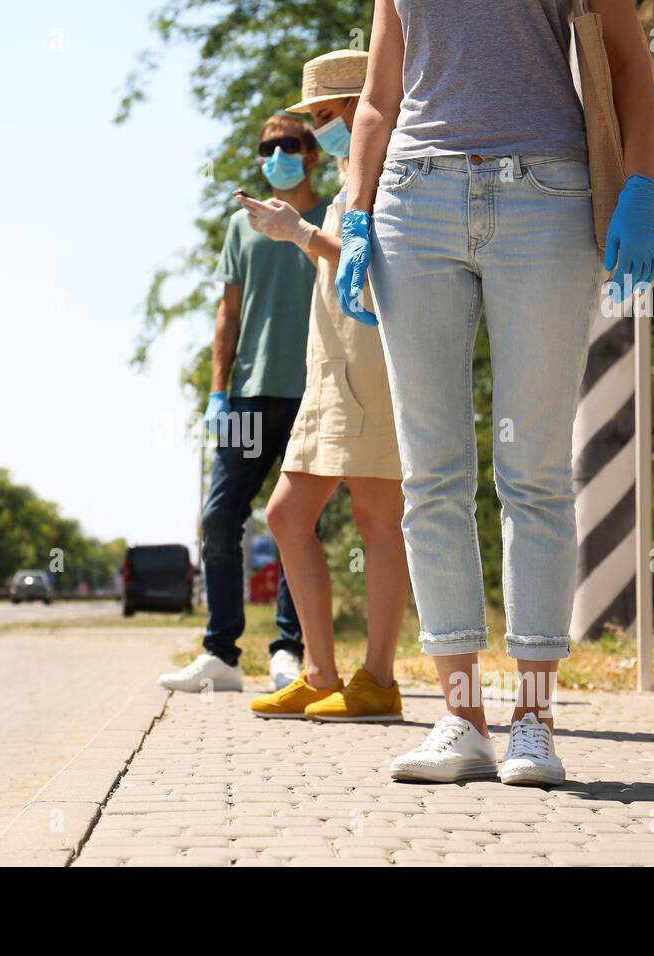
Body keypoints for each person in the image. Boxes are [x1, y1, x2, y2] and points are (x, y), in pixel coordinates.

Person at [337, 0, 654, 784]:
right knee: (432, 474)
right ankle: (461, 717)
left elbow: (628, 66)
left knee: (536, 475)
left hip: (546, 200)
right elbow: (379, 96)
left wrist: (641, 186)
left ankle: (536, 723)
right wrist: (355, 212)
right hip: (412, 205)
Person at [235, 50, 410, 723]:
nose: (319, 128)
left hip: (371, 366)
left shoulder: (395, 169)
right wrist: (299, 231)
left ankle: (377, 680)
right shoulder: (347, 175)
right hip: (332, 370)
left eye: (326, 115)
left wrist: (298, 232)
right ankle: (319, 672)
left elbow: (385, 267)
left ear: (361, 107)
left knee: (376, 518)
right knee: (285, 515)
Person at [158, 114, 332, 694]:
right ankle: (221, 656)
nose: (277, 153)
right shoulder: (242, 225)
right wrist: (216, 391)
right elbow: (227, 314)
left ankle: (288, 649)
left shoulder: (329, 218)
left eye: (289, 144)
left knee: (296, 522)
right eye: (268, 147)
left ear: (311, 155)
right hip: (250, 398)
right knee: (219, 518)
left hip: (315, 392)